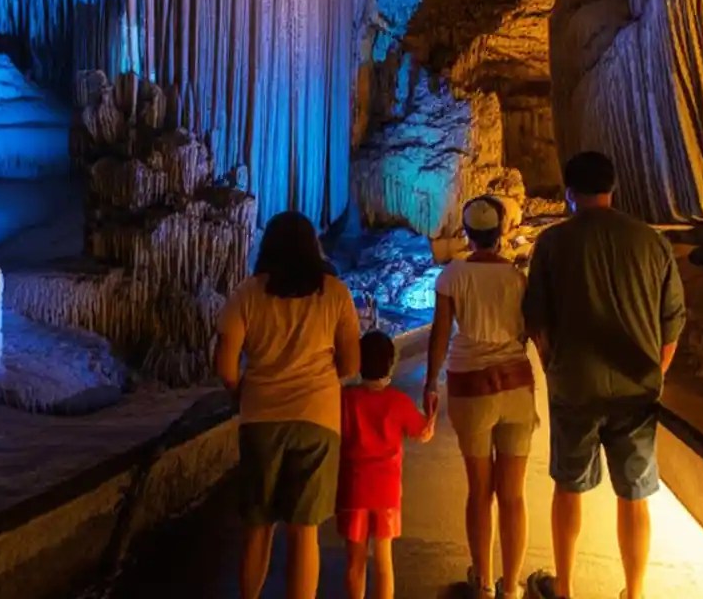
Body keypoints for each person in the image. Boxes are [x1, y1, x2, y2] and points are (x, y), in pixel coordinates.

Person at [521, 151, 686, 599]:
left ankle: (566, 587)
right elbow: (671, 322)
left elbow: (536, 319)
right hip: (637, 387)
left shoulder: (554, 243)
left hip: (575, 383)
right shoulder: (652, 243)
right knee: (635, 493)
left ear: (571, 194)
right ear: (613, 189)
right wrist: (657, 372)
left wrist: (553, 362)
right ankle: (634, 592)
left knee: (568, 485)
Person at [214, 211, 362, 599]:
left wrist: (239, 390)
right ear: (312, 248)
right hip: (317, 420)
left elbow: (225, 364)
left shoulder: (247, 294)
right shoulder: (335, 294)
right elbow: (350, 364)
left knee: (258, 526)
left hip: (260, 418)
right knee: (304, 531)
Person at [424, 195, 538, 599]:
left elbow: (440, 335)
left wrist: (429, 383)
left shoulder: (452, 275)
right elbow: (530, 331)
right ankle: (512, 586)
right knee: (513, 494)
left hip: (469, 388)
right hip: (515, 386)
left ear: (468, 232)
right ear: (501, 232)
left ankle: (485, 583)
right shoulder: (516, 277)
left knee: (480, 490)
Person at [338, 330, 437, 599]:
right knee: (383, 563)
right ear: (390, 364)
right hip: (386, 494)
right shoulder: (398, 402)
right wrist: (432, 413)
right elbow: (423, 433)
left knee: (354, 562)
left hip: (353, 489)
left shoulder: (346, 400)